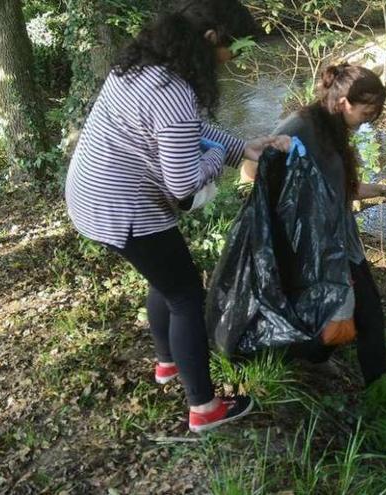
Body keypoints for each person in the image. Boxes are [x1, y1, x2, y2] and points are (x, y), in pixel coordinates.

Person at [65, 0, 290, 433]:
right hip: (123, 210)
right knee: (186, 294)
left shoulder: (141, 65)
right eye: (232, 49)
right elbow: (184, 185)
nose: (234, 60)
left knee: (164, 279)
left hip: (89, 195)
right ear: (210, 38)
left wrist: (241, 147)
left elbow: (188, 130)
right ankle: (204, 407)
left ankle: (168, 364)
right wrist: (215, 162)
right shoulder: (175, 92)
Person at [243, 63, 386, 386]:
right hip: (313, 245)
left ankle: (332, 368)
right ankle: (367, 388)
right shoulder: (302, 125)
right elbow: (251, 170)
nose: (369, 119)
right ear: (344, 101)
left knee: (362, 314)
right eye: (367, 111)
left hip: (342, 241)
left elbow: (340, 188)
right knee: (352, 317)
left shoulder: (336, 131)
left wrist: (383, 190)